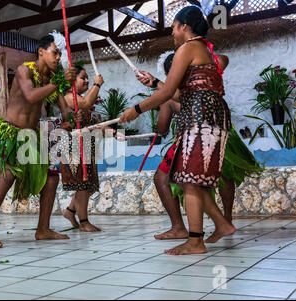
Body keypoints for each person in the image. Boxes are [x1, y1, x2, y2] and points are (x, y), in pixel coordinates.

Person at [119, 6, 236, 255]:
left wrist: (136, 109)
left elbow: (166, 93)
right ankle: (222, 224)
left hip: (200, 116)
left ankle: (195, 241)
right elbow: (179, 90)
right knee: (186, 179)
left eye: (173, 26)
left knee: (191, 183)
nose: (172, 32)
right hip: (209, 114)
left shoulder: (188, 47)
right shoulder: (204, 49)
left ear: (185, 26)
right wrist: (154, 82)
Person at [0, 34, 78, 248]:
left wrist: (73, 119)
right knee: (7, 175)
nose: (58, 57)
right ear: (41, 52)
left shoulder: (51, 78)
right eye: (55, 52)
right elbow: (30, 96)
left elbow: (65, 111)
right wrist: (59, 82)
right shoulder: (24, 70)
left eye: (60, 54)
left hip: (31, 137)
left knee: (50, 179)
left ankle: (43, 229)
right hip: (11, 133)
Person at [142, 52, 263, 240]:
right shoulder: (201, 78)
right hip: (221, 131)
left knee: (168, 178)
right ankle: (225, 221)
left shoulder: (169, 92)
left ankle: (181, 228)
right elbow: (222, 59)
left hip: (195, 135)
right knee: (222, 174)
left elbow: (162, 127)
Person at [60, 66, 125, 232]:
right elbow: (85, 104)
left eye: (89, 78)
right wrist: (97, 85)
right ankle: (84, 222)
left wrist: (114, 132)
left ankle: (70, 211)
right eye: (83, 77)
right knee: (83, 185)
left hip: (88, 147)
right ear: (72, 81)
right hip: (74, 147)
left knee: (88, 186)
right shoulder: (69, 98)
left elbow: (94, 126)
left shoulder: (79, 98)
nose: (87, 81)